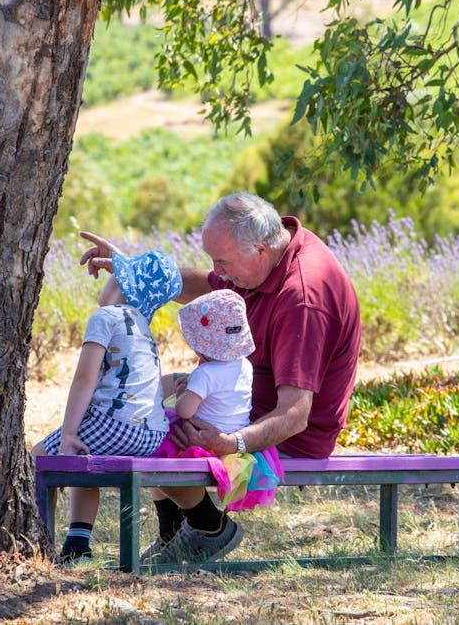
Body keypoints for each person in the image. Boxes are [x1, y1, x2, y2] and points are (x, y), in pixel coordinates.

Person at [79, 192, 362, 566]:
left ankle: (206, 529)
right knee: (150, 416)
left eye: (222, 261)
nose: (218, 269)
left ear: (260, 248)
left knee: (150, 435)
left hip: (278, 431)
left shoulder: (303, 299)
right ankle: (178, 536)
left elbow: (295, 414)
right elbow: (212, 286)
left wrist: (232, 443)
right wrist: (136, 273)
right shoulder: (268, 258)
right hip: (239, 400)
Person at [32, 248, 182, 563]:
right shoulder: (142, 326)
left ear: (123, 285)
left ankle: (30, 540)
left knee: (37, 459)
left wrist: (69, 432)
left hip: (115, 424)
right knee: (84, 457)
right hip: (152, 434)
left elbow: (85, 379)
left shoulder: (105, 317)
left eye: (116, 274)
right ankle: (76, 544)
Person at [152, 288, 284, 513]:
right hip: (239, 439)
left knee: (156, 434)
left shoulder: (206, 373)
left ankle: (177, 519)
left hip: (202, 441)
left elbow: (184, 411)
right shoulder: (245, 365)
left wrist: (183, 393)